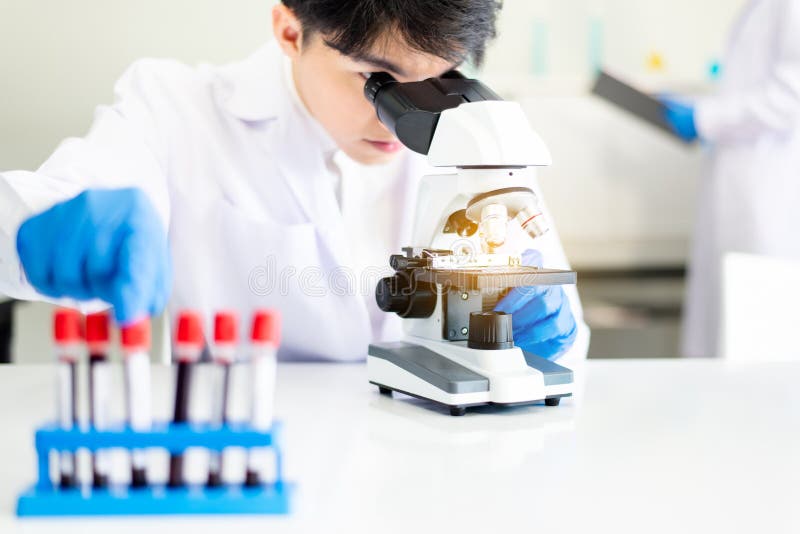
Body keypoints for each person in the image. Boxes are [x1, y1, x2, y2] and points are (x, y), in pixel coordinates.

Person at [0, 1, 588, 364]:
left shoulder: (478, 130)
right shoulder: (174, 109)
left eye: (439, 79)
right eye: (377, 78)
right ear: (288, 29)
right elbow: (43, 204)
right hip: (242, 452)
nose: (413, 118)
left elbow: (564, 338)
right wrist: (33, 232)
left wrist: (549, 336)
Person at [660, 0, 800, 357]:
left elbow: (790, 97)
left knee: (760, 335)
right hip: (745, 183)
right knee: (731, 328)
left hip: (770, 190)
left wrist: (704, 117)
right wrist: (703, 109)